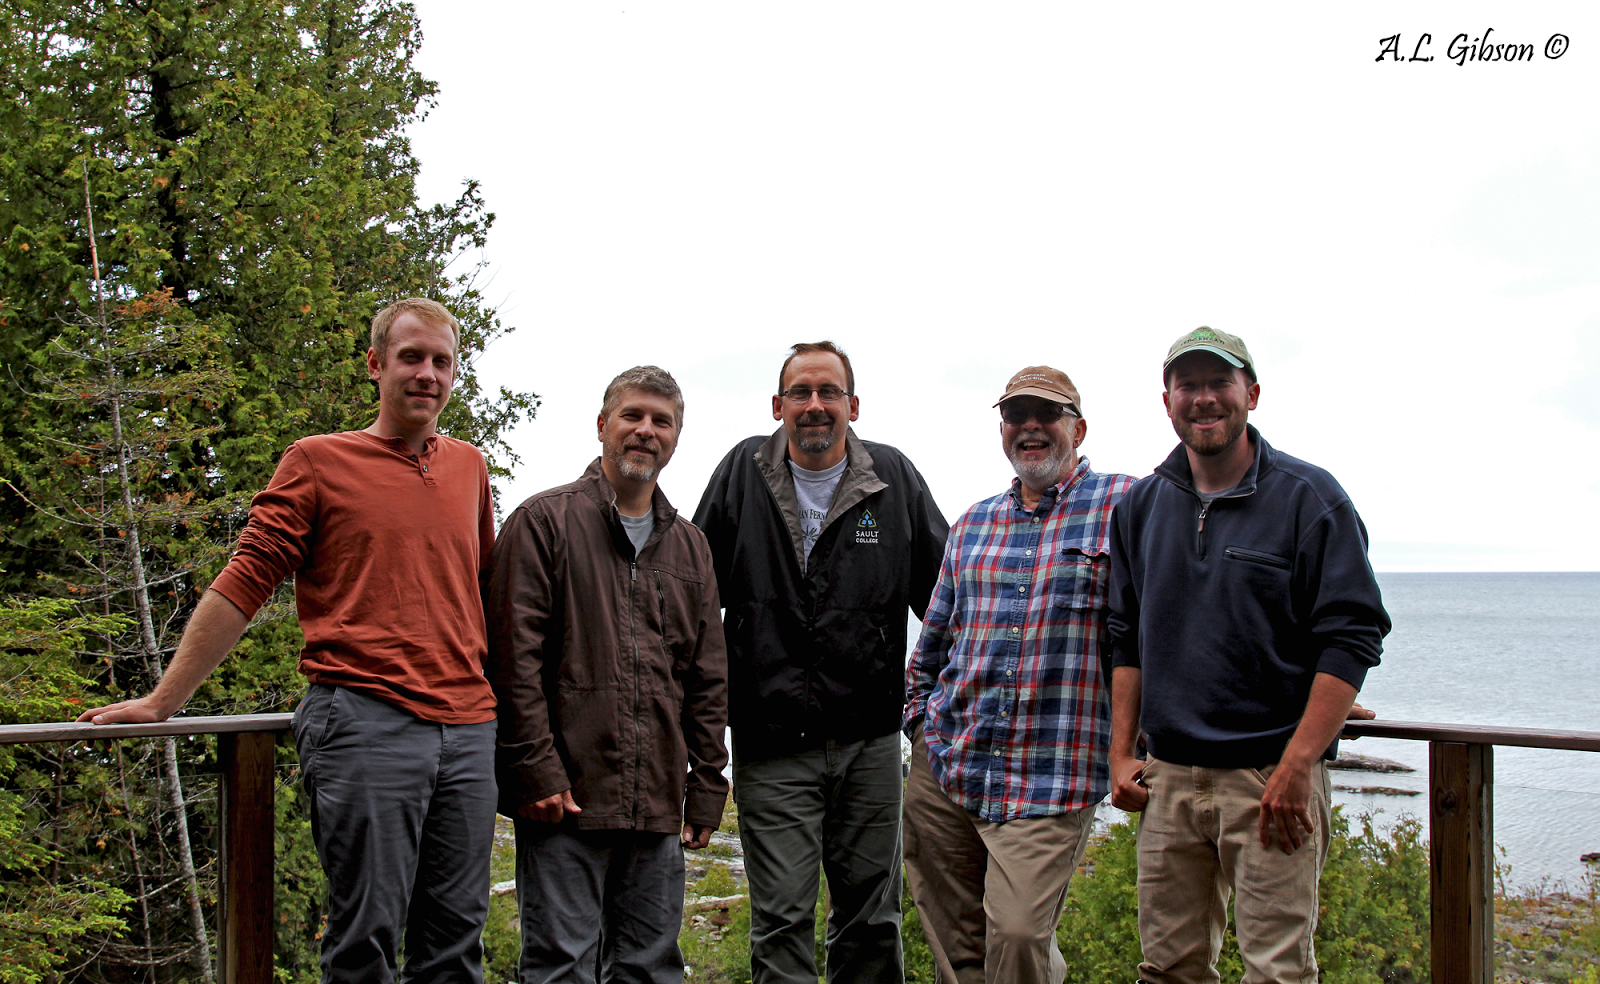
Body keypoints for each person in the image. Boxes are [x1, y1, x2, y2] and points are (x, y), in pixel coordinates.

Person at [80, 298, 500, 984]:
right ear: (375, 365)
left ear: (455, 374)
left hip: (469, 729)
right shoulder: (317, 462)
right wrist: (163, 700)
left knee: (456, 943)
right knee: (366, 938)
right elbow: (245, 581)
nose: (427, 374)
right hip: (367, 718)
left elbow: (485, 594)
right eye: (411, 358)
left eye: (441, 362)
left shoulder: (469, 468)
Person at [1106, 327, 1391, 984]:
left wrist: (1297, 767)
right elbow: (1126, 634)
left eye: (1219, 383)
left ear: (1251, 394)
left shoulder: (1309, 499)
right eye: (1189, 385)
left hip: (1269, 781)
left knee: (1277, 972)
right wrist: (1122, 751)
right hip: (1168, 779)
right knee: (1169, 970)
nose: (1204, 399)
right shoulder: (1141, 506)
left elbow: (1352, 637)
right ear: (1168, 400)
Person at [693, 341, 948, 984]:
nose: (814, 406)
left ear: (852, 406)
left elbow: (947, 603)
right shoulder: (741, 474)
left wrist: (933, 714)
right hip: (771, 741)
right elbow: (692, 600)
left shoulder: (892, 479)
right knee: (780, 921)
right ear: (777, 405)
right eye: (801, 393)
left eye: (828, 393)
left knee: (872, 920)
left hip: (869, 742)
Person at [484, 366, 729, 984]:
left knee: (651, 969)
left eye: (661, 422)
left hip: (655, 805)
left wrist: (705, 784)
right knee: (562, 967)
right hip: (565, 800)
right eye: (633, 416)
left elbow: (705, 679)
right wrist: (535, 769)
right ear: (602, 426)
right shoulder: (543, 522)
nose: (646, 431)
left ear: (675, 439)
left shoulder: (691, 548)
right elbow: (513, 659)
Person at [902, 366, 1135, 984]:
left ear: (1078, 428)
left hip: (1051, 775)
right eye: (1015, 416)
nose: (1030, 427)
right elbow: (934, 639)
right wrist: (920, 723)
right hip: (948, 765)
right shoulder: (972, 523)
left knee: (1021, 935)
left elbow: (1196, 601)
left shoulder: (1128, 505)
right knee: (956, 942)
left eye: (1047, 414)